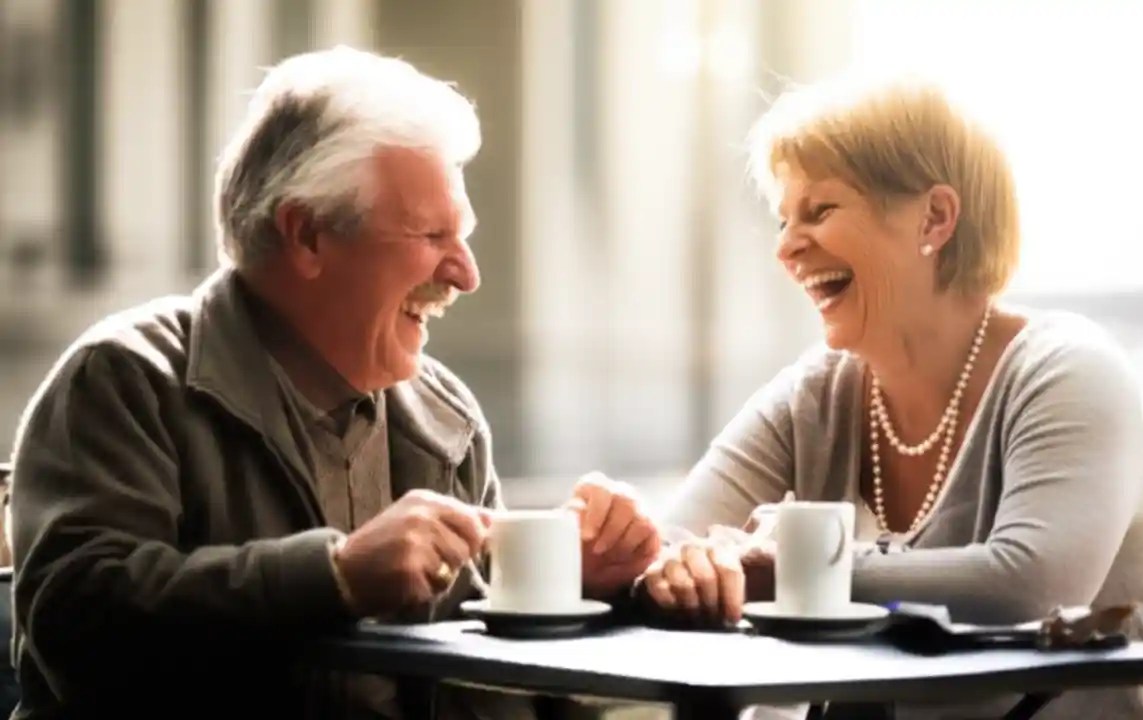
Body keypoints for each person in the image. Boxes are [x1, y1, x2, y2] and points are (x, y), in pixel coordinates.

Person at [6, 46, 660, 719]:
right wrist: (337, 576)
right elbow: (77, 628)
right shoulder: (126, 378)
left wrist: (591, 595)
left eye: (462, 236)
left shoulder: (447, 419)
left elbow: (496, 697)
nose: (466, 274)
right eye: (433, 234)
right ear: (308, 235)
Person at [639, 78, 1143, 719]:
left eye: (820, 210)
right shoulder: (817, 393)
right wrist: (674, 568)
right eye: (785, 219)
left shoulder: (1071, 369)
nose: (785, 246)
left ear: (936, 218)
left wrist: (795, 567)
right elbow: (669, 547)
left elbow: (1030, 588)